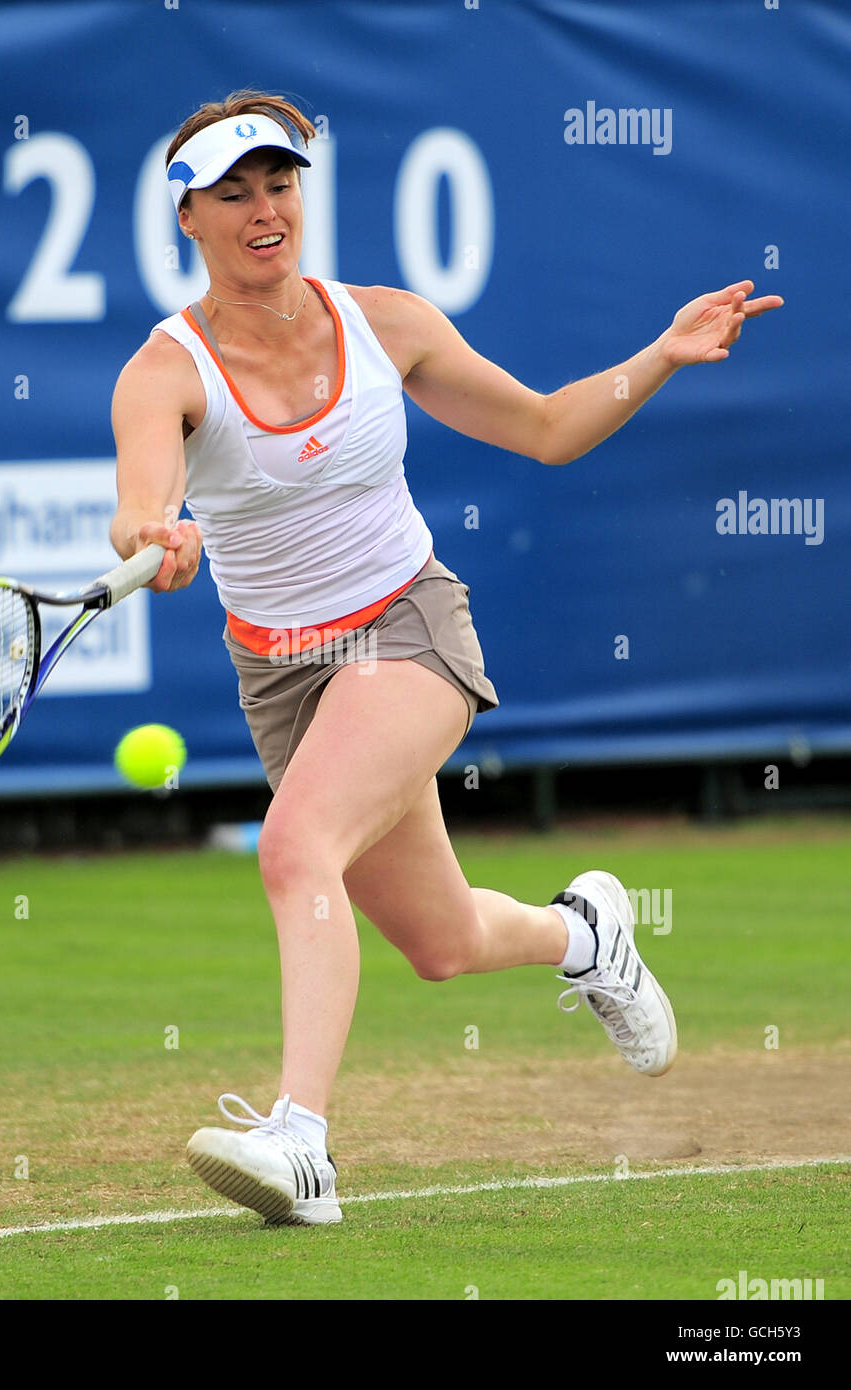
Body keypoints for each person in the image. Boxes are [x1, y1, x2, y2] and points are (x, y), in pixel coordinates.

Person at [109, 90, 783, 1227]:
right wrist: (157, 542)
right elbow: (143, 510)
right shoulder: (162, 373)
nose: (263, 209)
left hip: (407, 629)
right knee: (442, 940)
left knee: (293, 846)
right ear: (189, 219)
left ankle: (302, 1146)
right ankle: (587, 934)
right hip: (283, 675)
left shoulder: (387, 322)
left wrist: (659, 355)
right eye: (233, 193)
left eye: (278, 183)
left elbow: (546, 428)